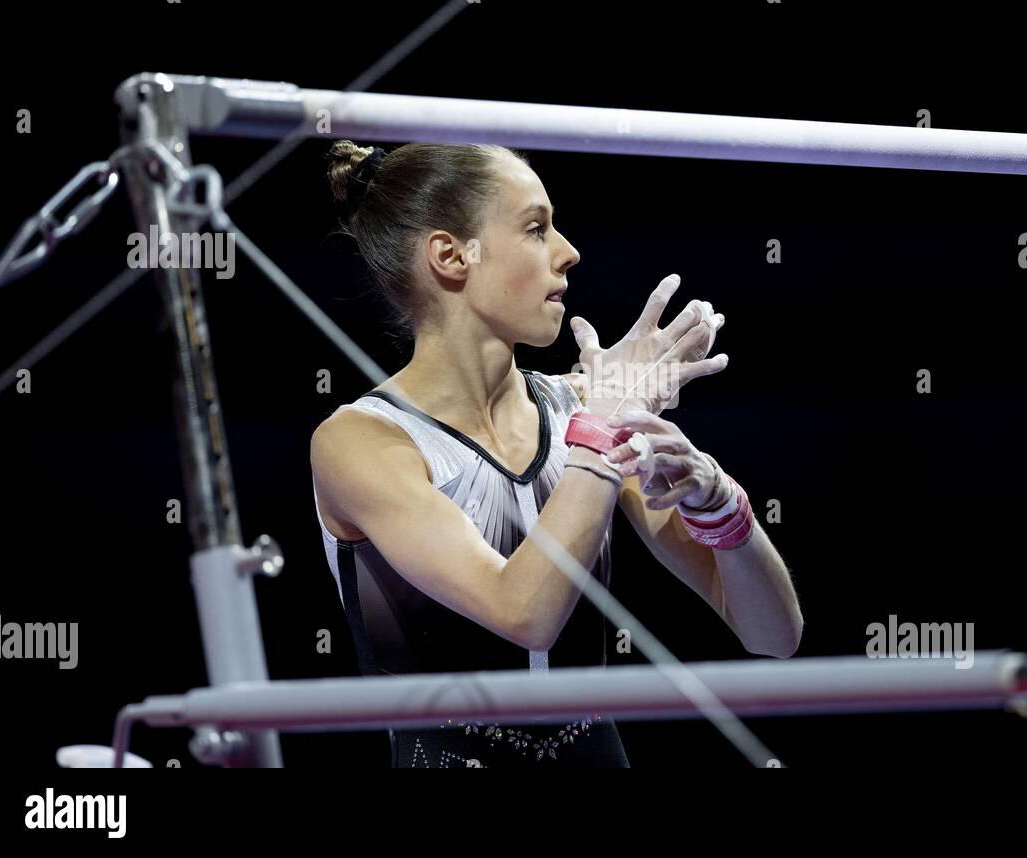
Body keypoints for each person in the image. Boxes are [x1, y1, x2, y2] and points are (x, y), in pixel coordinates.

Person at [310, 141, 803, 767]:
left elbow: (773, 635)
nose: (568, 252)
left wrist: (718, 505)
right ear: (451, 256)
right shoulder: (361, 442)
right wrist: (601, 428)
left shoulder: (582, 412)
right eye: (536, 228)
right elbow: (523, 613)